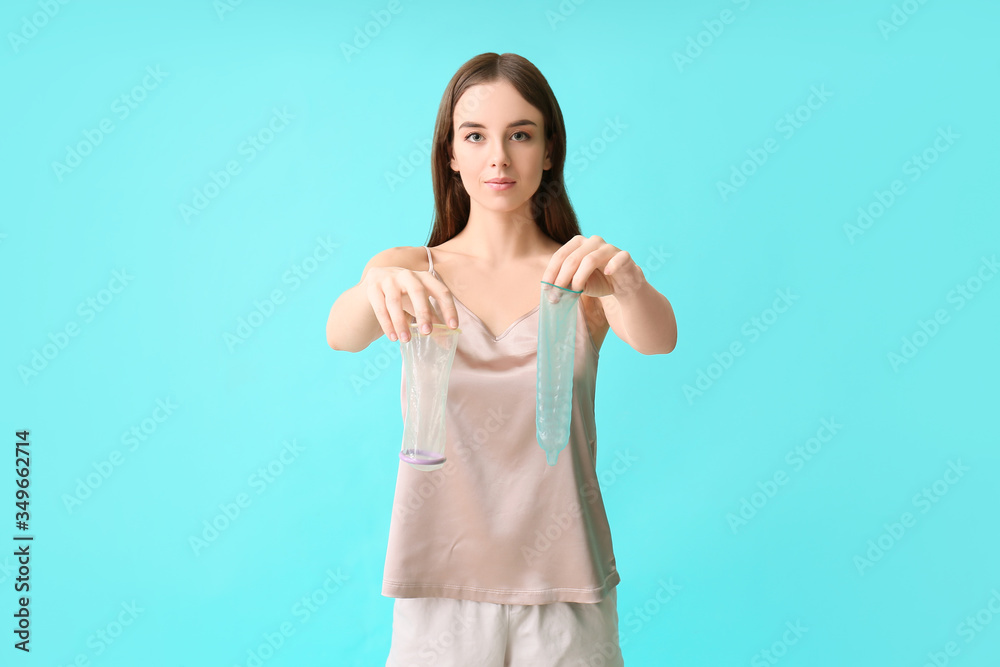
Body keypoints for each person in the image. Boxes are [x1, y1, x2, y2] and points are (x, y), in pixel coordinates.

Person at [326, 52, 677, 667]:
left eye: (520, 135)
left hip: (567, 590)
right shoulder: (409, 271)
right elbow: (342, 333)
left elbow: (658, 339)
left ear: (548, 151)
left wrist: (626, 282)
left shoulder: (581, 275)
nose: (498, 157)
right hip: (438, 586)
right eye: (475, 136)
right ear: (450, 156)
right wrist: (372, 286)